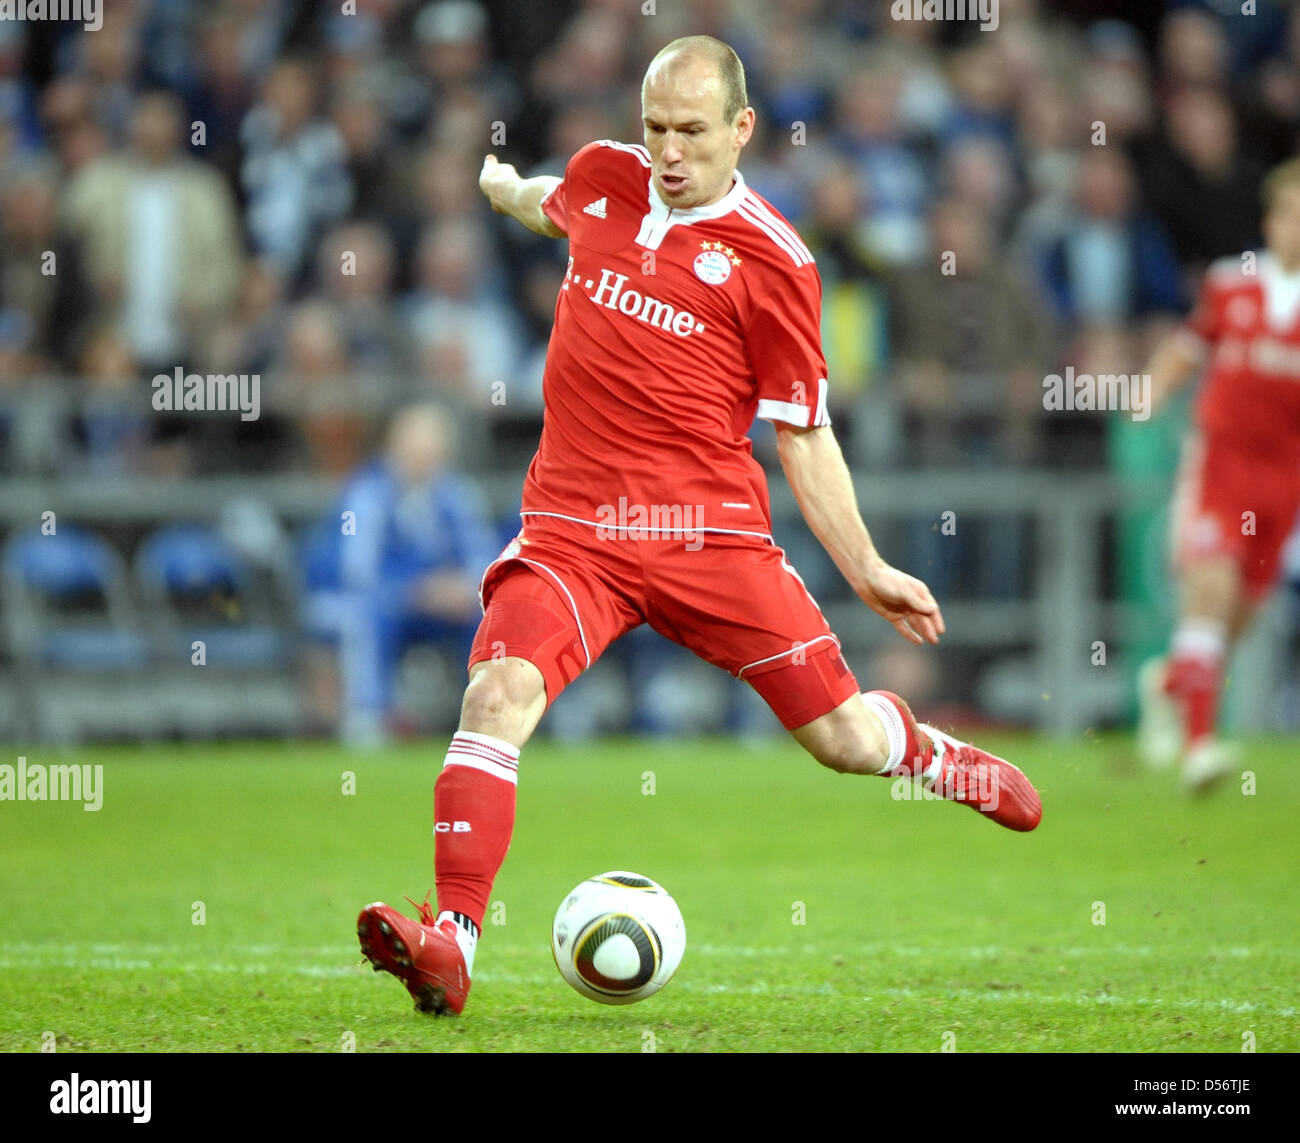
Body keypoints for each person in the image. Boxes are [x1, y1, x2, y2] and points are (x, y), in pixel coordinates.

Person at [357, 36, 1042, 1017]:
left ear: (740, 130)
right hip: (572, 534)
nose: (669, 152)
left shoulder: (776, 265)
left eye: (690, 131)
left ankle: (921, 751)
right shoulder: (608, 181)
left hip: (707, 540)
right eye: (654, 130)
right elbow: (561, 201)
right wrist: (503, 186)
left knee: (841, 741)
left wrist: (867, 567)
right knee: (496, 694)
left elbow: (805, 438)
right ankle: (452, 945)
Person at [1138, 157, 1300, 791]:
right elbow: (1189, 344)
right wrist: (1149, 392)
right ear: (1271, 220)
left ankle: (1168, 682)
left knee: (1241, 615)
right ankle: (1200, 747)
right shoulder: (1232, 283)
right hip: (1221, 462)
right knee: (1209, 587)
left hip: (1285, 478)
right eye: (1290, 216)